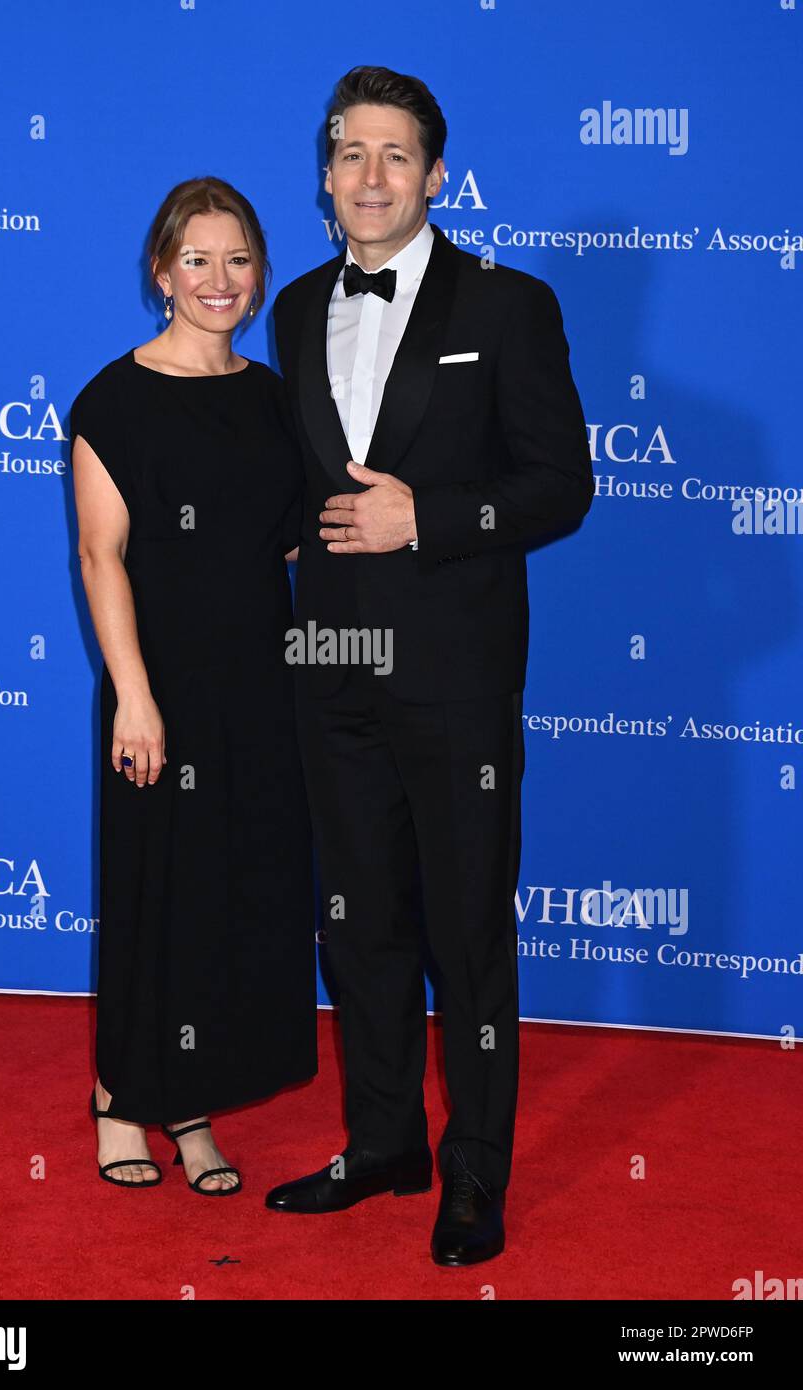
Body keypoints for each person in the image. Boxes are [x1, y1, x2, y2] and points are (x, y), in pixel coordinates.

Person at [265, 67, 594, 1263]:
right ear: (325, 174)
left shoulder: (510, 306)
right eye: (349, 153)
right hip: (330, 662)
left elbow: (562, 484)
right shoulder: (297, 307)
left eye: (394, 155)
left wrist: (434, 519)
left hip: (455, 670)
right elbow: (301, 480)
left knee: (467, 934)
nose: (369, 176)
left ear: (436, 174)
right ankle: (384, 1142)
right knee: (358, 925)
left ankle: (474, 1175)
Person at [69, 177, 316, 1193]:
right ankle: (120, 1101)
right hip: (157, 690)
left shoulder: (270, 398)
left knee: (230, 900)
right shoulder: (113, 400)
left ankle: (192, 1107)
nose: (220, 280)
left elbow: (293, 539)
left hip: (261, 689)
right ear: (162, 272)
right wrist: (133, 693)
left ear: (259, 273)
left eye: (239, 259)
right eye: (198, 260)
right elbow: (101, 555)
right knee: (153, 896)